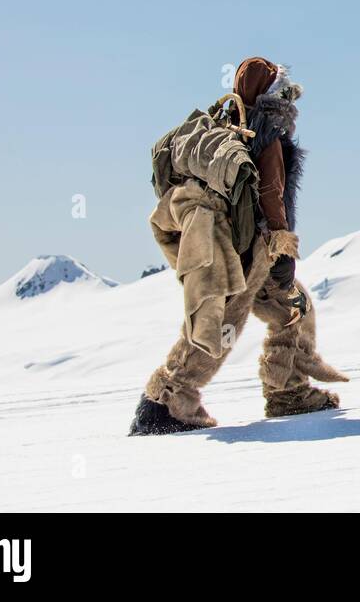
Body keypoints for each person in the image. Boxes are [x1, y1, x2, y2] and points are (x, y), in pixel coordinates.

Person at [129, 57, 347, 436]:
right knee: (223, 323)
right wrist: (282, 251)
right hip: (252, 245)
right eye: (287, 90)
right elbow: (271, 193)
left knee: (293, 308)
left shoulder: (226, 121)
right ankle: (166, 402)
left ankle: (288, 390)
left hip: (226, 239)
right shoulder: (269, 131)